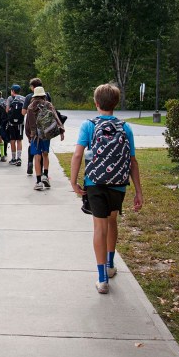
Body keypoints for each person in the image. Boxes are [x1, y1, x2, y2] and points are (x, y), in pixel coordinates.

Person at [69, 84, 143, 294]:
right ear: (116, 103)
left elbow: (77, 155)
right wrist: (138, 191)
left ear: (96, 103)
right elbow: (133, 162)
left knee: (99, 228)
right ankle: (110, 265)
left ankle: (102, 279)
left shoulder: (89, 126)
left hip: (95, 183)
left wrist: (74, 182)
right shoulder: (125, 128)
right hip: (118, 184)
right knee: (112, 222)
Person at [24, 86, 64, 190]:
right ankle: (45, 176)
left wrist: (29, 135)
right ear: (43, 95)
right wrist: (61, 130)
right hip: (46, 134)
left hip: (35, 136)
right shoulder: (48, 104)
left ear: (34, 96)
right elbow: (55, 117)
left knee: (37, 157)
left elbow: (27, 123)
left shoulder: (30, 107)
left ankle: (38, 182)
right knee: (45, 154)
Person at [22, 78, 52, 175]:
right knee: (45, 152)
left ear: (32, 87)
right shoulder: (47, 97)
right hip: (46, 129)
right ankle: (44, 172)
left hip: (33, 129)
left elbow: (23, 112)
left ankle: (30, 163)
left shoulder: (29, 97)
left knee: (34, 148)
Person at [5, 84, 26, 166]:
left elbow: (7, 110)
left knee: (12, 140)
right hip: (20, 123)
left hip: (11, 123)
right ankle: (19, 158)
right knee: (19, 140)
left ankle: (13, 159)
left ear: (12, 91)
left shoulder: (10, 98)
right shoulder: (23, 98)